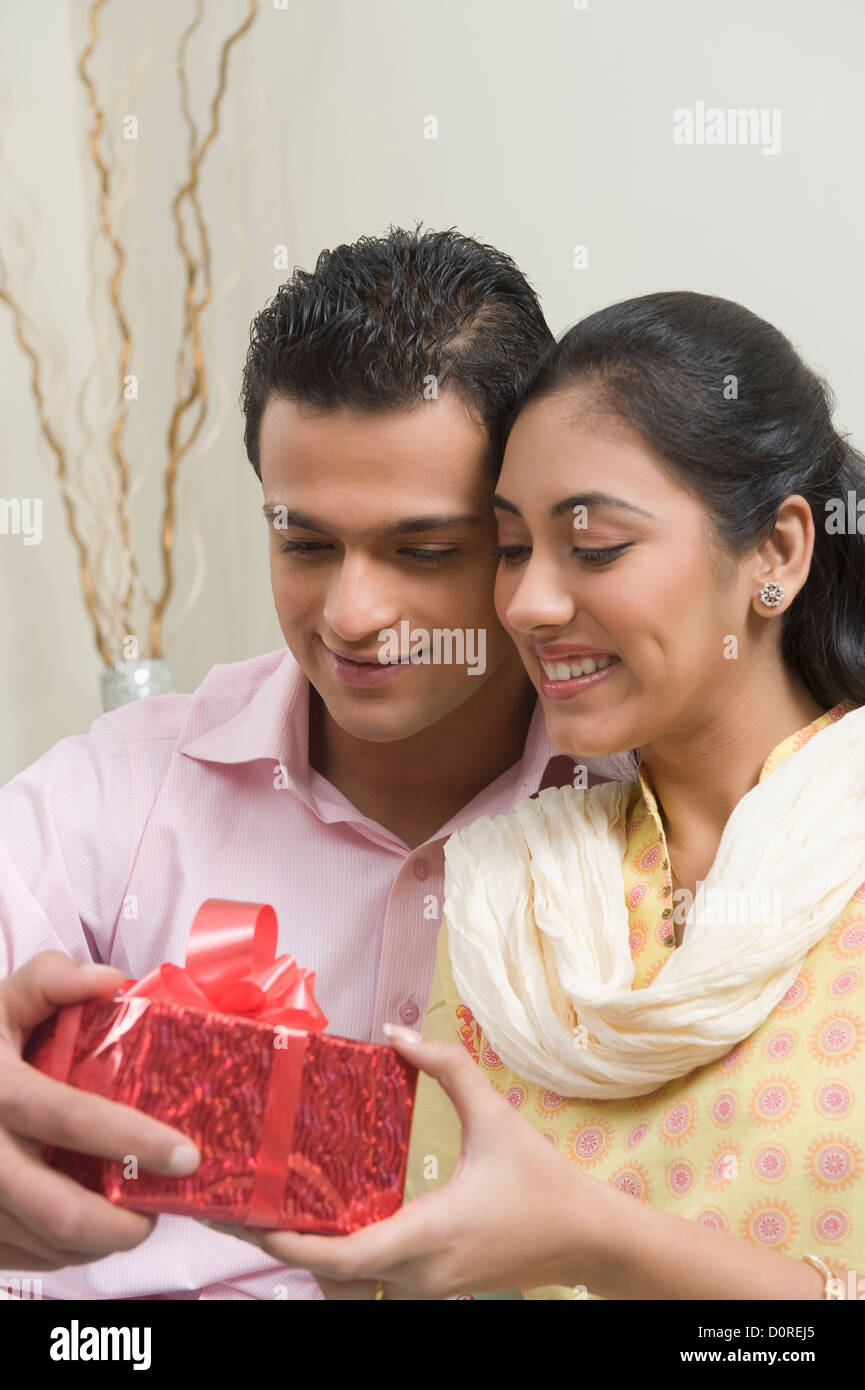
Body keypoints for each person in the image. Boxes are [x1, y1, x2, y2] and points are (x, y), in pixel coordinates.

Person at [0, 227, 631, 1300]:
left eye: (422, 551)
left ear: (527, 536)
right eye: (304, 544)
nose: (351, 614)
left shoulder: (648, 815)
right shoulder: (121, 793)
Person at [211, 291, 865, 1300]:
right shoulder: (513, 899)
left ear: (774, 552)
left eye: (593, 548)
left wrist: (596, 1242)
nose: (528, 603)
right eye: (513, 549)